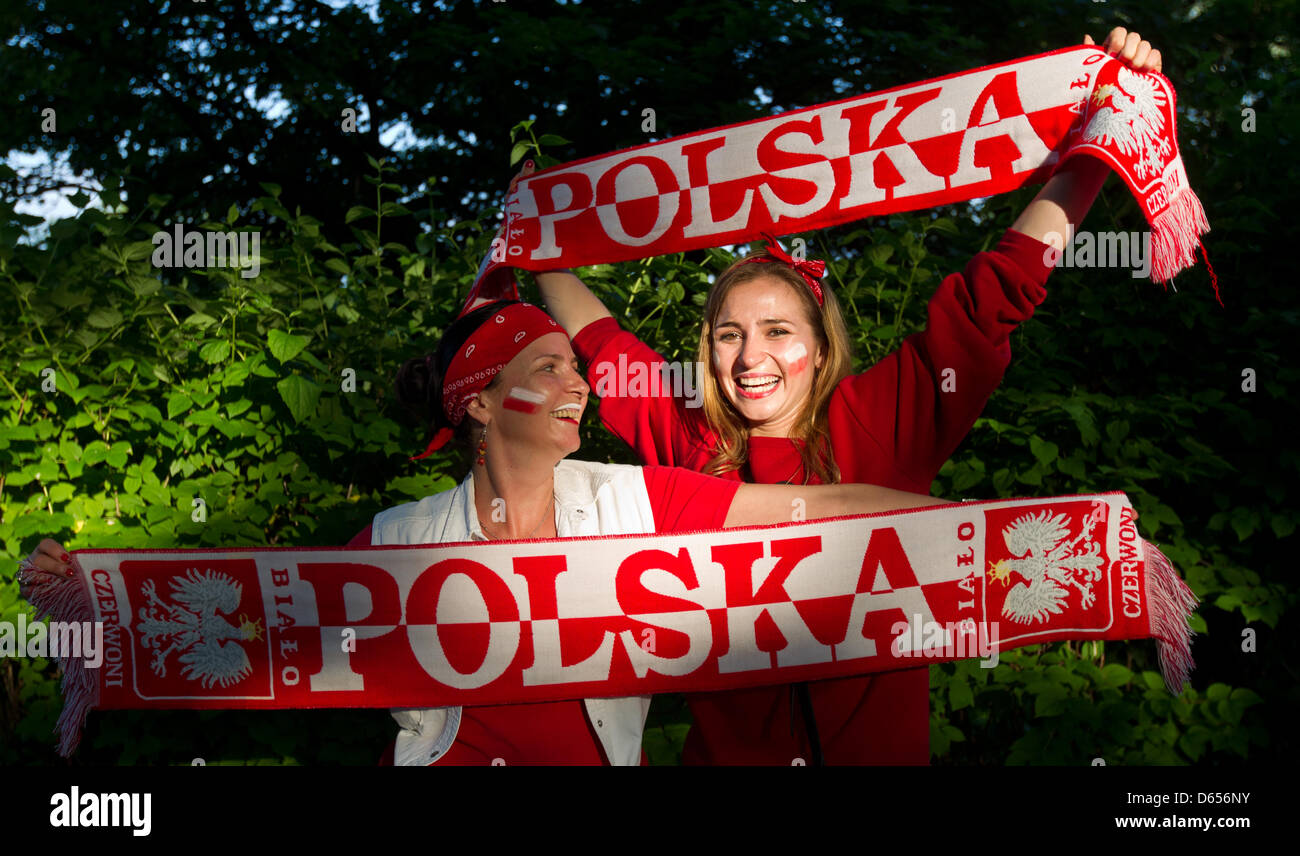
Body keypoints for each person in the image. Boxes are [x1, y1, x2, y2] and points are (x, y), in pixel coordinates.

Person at [525, 28, 1164, 765]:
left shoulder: (880, 420)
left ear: (823, 349)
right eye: (729, 335)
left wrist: (1096, 146)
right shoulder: (689, 434)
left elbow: (995, 294)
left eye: (777, 332)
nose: (750, 358)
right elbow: (602, 342)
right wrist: (533, 237)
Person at [19, 299, 947, 766]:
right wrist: (95, 588)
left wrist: (961, 527)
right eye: (550, 370)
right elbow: (257, 616)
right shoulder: (401, 538)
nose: (580, 385)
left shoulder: (637, 502)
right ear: (480, 403)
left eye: (577, 367)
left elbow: (803, 512)